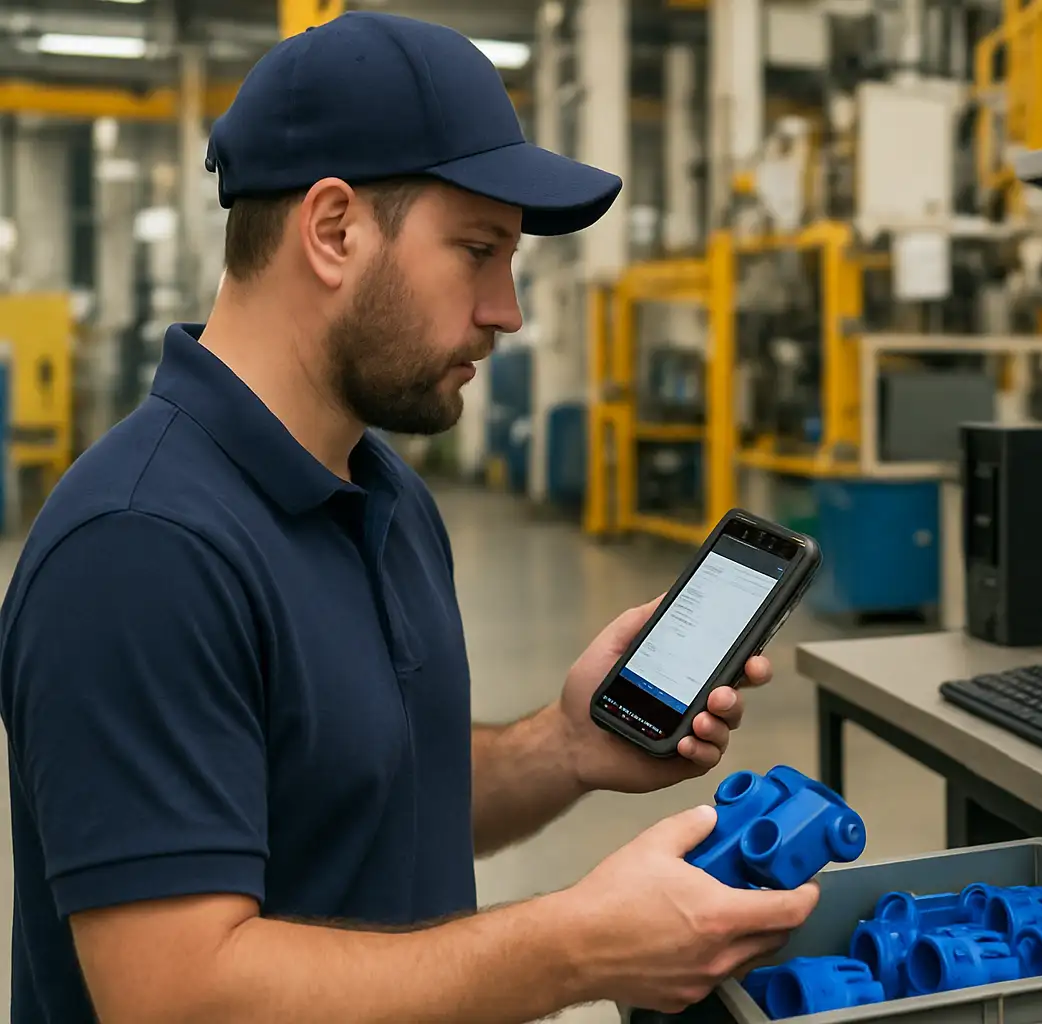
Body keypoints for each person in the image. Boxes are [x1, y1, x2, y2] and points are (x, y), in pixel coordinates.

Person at [0, 12, 817, 1023]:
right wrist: (579, 947)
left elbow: (372, 796)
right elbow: (178, 997)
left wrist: (564, 745)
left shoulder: (382, 490)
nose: (506, 310)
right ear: (333, 231)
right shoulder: (141, 547)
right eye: (477, 250)